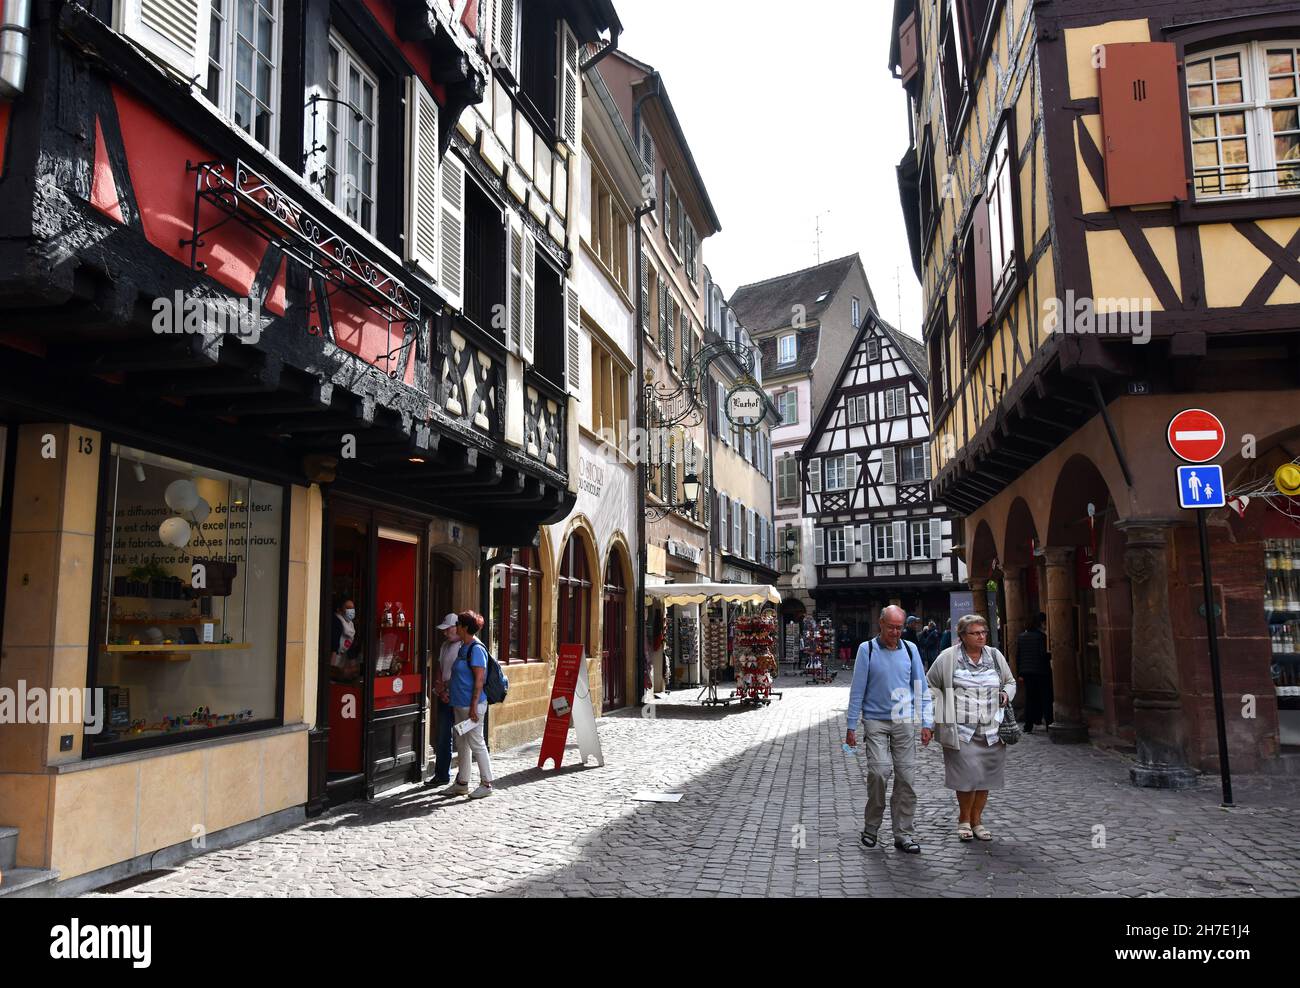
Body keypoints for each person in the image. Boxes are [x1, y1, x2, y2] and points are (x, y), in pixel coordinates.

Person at [845, 605, 933, 854]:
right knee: (879, 773)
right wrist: (851, 725)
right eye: (891, 627)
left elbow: (921, 688)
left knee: (906, 779)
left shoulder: (910, 649)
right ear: (880, 624)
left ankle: (903, 834)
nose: (896, 632)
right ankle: (872, 827)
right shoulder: (867, 649)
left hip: (903, 722)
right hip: (875, 721)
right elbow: (857, 690)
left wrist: (927, 722)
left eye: (899, 627)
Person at [927, 614, 1016, 843]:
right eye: (975, 633)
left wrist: (1006, 694)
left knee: (985, 776)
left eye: (983, 632)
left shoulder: (995, 656)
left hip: (991, 729)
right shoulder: (948, 658)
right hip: (961, 730)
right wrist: (939, 713)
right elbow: (930, 686)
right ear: (962, 636)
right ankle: (964, 819)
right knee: (966, 776)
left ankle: (977, 821)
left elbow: (1010, 681)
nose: (981, 636)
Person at [445, 611, 494, 799]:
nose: (456, 627)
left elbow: (479, 680)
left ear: (465, 627)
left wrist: (473, 706)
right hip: (460, 704)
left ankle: (487, 783)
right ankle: (462, 783)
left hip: (472, 706)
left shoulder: (476, 649)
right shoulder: (464, 647)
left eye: (458, 624)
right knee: (462, 743)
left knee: (476, 743)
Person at [425, 613, 462, 788]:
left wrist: (447, 688)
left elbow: (462, 674)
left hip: (459, 696)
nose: (446, 633)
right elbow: (440, 668)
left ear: (458, 627)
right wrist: (440, 688)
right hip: (445, 696)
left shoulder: (464, 646)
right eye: (445, 630)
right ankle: (441, 774)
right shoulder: (445, 646)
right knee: (443, 736)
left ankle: (463, 777)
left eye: (449, 629)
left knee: (463, 738)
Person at [1016, 612, 1053, 733]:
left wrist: (1020, 673)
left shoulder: (1021, 637)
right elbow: (1044, 654)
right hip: (1041, 671)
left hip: (1027, 672)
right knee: (1046, 698)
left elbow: (1018, 656)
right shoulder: (1041, 637)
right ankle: (1049, 723)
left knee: (1030, 698)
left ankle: (1028, 725)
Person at [329, 596, 360, 683]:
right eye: (348, 608)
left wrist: (353, 668)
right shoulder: (336, 622)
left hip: (341, 662)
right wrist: (330, 671)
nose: (351, 611)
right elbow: (333, 647)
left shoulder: (350, 624)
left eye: (353, 608)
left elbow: (350, 647)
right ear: (339, 610)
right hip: (332, 661)